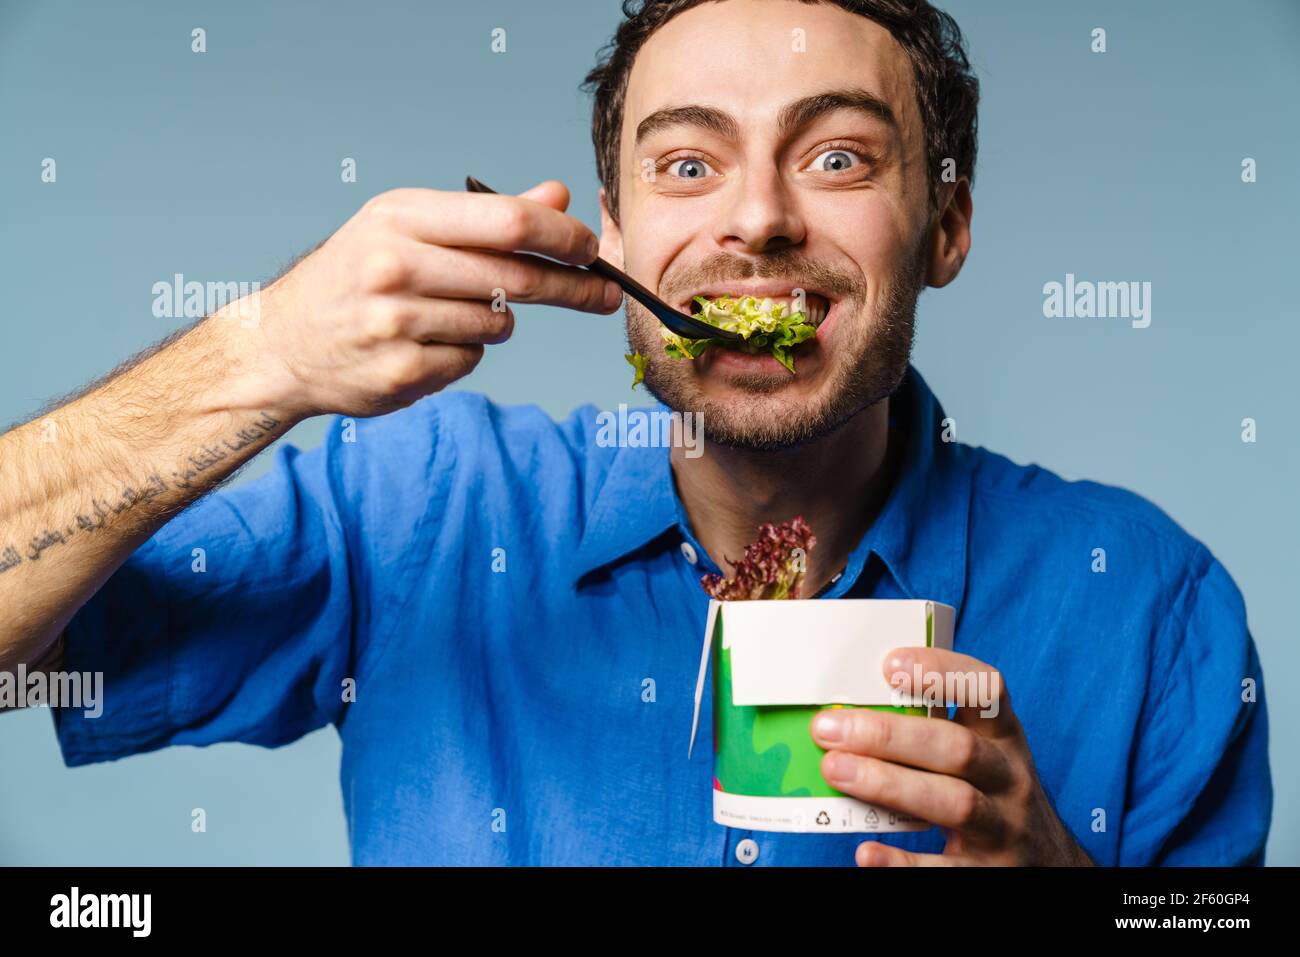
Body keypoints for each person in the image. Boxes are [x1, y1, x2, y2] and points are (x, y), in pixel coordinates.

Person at [0, 0, 1270, 866]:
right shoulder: (420, 511)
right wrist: (257, 356)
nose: (756, 220)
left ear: (944, 228)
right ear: (611, 230)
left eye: (836, 158)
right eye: (685, 166)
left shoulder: (1147, 603)